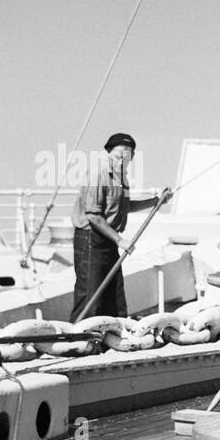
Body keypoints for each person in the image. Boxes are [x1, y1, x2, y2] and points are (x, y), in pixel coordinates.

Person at [70, 132, 171, 321]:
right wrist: (120, 240)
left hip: (108, 238)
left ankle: (112, 335)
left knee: (114, 294)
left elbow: (125, 207)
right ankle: (79, 338)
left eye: (127, 156)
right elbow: (93, 215)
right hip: (90, 238)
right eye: (118, 155)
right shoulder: (98, 175)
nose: (122, 160)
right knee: (90, 294)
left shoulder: (121, 178)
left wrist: (156, 201)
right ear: (109, 153)